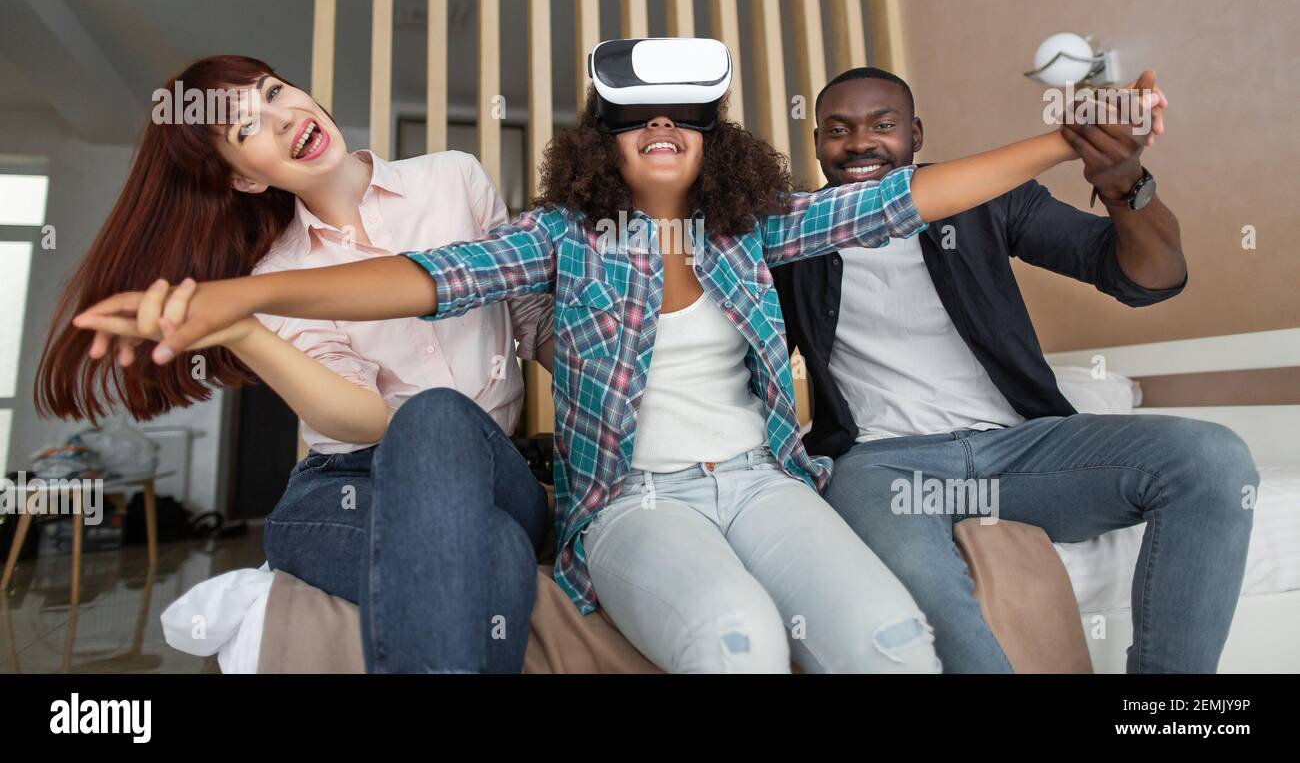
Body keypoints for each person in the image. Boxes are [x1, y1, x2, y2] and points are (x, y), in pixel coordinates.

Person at [75, 37, 1088, 674]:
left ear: (712, 138)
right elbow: (424, 288)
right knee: (718, 630)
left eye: (682, 113)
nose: (659, 126)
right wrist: (242, 304)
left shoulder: (751, 228)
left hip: (704, 477)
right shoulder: (556, 237)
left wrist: (1061, 140)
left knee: (888, 639)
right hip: (489, 482)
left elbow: (900, 198)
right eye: (634, 116)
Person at [38, 55, 553, 672]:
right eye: (246, 129)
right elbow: (367, 420)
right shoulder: (275, 275)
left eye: (274, 92)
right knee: (491, 553)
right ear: (244, 181)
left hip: (491, 470)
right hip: (346, 486)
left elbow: (534, 323)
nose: (283, 119)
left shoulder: (453, 179)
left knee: (442, 422)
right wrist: (242, 331)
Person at [772, 66, 1259, 673]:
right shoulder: (793, 236)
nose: (859, 143)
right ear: (817, 143)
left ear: (916, 135)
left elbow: (1146, 279)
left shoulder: (985, 199)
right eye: (837, 130)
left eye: (883, 125)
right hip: (883, 463)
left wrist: (1124, 182)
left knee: (1212, 457)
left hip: (1023, 452)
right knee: (924, 590)